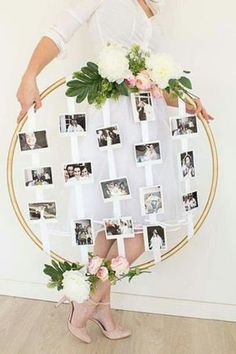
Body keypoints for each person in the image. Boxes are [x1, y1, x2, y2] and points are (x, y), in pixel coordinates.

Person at [16, 0, 214, 344]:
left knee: (115, 225)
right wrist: (29, 76)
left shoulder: (152, 6)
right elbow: (59, 31)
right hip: (114, 124)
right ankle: (87, 303)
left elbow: (150, 78)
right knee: (134, 230)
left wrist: (183, 100)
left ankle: (102, 308)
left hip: (146, 124)